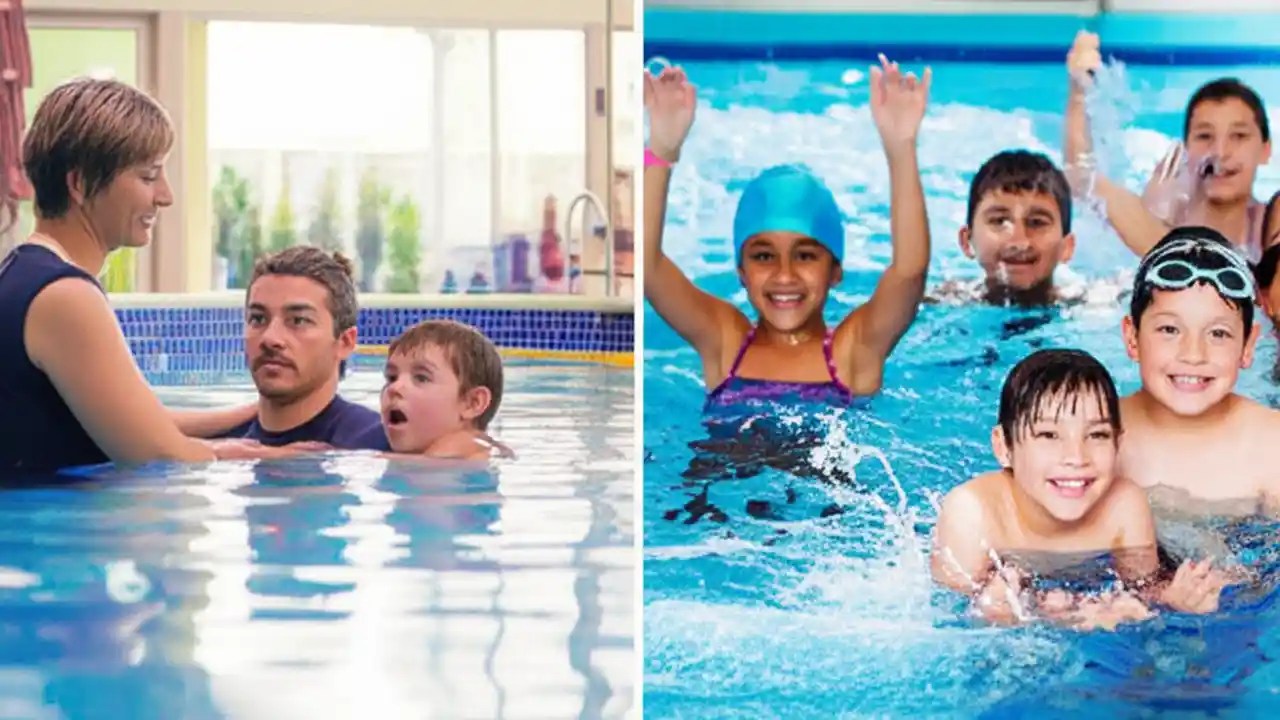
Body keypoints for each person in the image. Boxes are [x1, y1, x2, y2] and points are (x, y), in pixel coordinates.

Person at [0, 78, 279, 475]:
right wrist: (295, 461)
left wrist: (251, 417)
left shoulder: (24, 273)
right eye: (148, 177)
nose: (165, 196)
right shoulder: (64, 296)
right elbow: (158, 455)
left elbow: (133, 421)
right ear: (80, 183)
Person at [643, 55, 931, 412]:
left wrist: (901, 148)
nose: (784, 275)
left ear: (835, 271)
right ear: (741, 272)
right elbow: (648, 268)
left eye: (805, 255)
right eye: (764, 256)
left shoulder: (854, 351)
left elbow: (910, 271)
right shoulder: (725, 341)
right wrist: (662, 150)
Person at [931, 348, 1228, 629]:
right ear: (1004, 447)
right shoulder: (974, 513)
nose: (1076, 457)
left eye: (1097, 435)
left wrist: (1172, 600)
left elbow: (1143, 589)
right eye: (1048, 435)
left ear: (1117, 444)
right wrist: (997, 615)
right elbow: (945, 614)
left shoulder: (1122, 506)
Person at [1064, 31, 1277, 262]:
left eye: (1239, 136)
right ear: (1186, 149)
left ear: (1266, 150)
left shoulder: (1271, 223)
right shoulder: (1159, 219)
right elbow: (1081, 177)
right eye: (1204, 136)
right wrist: (1078, 91)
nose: (1220, 151)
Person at [1117, 227, 1280, 508]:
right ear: (1132, 338)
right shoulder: (1093, 436)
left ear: (1248, 346)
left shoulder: (1271, 445)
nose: (1193, 355)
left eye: (1218, 333)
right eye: (1169, 329)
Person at [222, 246, 388, 450]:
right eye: (258, 319)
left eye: (298, 320)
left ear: (345, 342)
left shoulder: (377, 444)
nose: (270, 338)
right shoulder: (223, 443)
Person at [934, 150, 1078, 305]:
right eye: (999, 221)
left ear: (1066, 247)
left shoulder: (1090, 307)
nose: (1019, 242)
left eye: (1037, 222)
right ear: (967, 241)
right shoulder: (945, 302)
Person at [379, 319, 507, 461]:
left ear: (472, 403)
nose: (394, 387)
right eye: (392, 378)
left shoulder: (465, 445)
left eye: (421, 378)